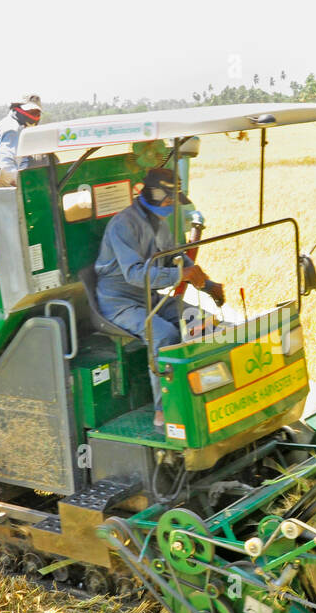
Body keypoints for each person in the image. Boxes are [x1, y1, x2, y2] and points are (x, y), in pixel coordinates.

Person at [94, 167, 225, 429]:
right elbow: (134, 274)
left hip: (148, 298)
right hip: (120, 303)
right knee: (164, 335)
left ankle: (205, 392)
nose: (171, 206)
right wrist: (182, 274)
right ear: (153, 195)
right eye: (168, 200)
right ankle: (165, 411)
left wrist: (206, 283)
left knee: (206, 322)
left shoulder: (158, 222)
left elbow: (175, 255)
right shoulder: (123, 225)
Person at [0, 95, 43, 186]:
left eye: (36, 113)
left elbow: (21, 159)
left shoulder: (11, 124)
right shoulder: (12, 129)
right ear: (17, 109)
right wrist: (25, 184)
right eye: (30, 111)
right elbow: (6, 167)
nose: (34, 116)